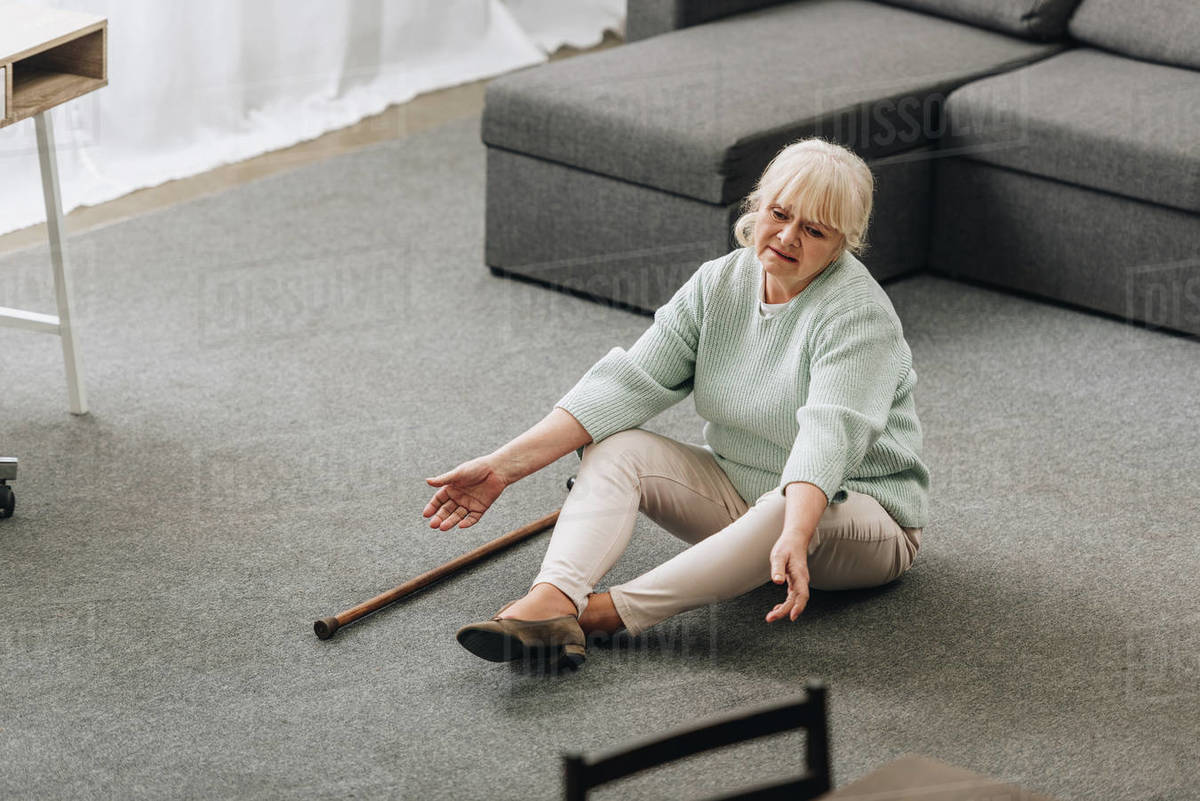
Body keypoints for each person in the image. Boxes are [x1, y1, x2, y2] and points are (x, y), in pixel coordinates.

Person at [428, 138, 930, 669]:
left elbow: (828, 438)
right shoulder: (719, 283)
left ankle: (597, 616)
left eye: (814, 230)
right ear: (757, 206)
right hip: (742, 493)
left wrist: (796, 528)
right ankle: (554, 597)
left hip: (858, 519)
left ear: (841, 245)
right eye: (779, 214)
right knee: (618, 445)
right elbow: (626, 384)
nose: (787, 237)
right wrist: (504, 467)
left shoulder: (858, 315)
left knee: (790, 499)